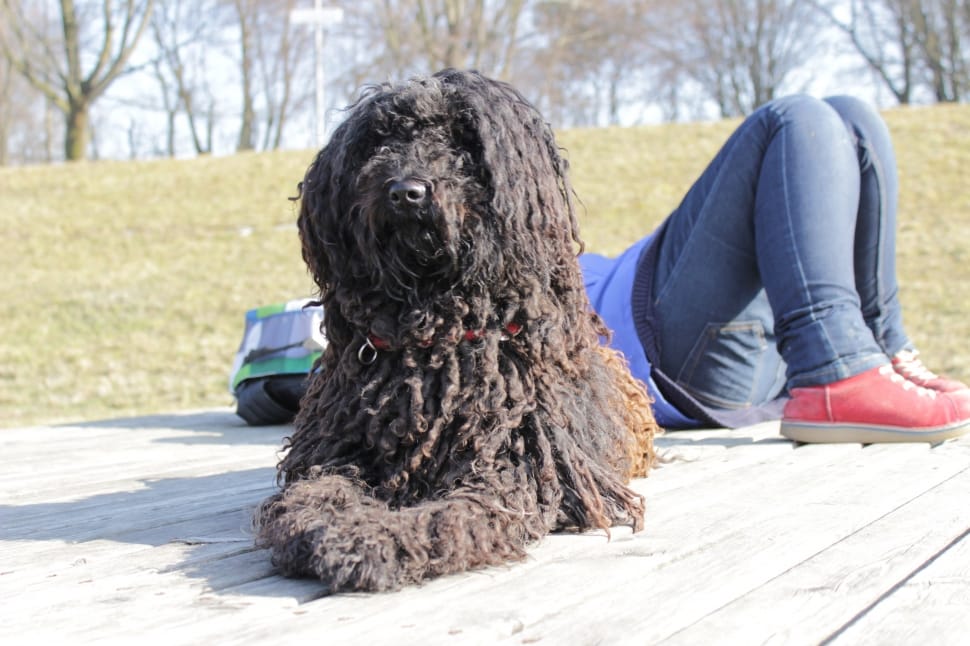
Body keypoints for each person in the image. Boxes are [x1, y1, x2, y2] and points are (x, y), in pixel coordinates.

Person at [581, 94, 970, 443]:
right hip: (656, 352)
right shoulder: (529, 276)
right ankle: (835, 367)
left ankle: (882, 349)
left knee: (852, 117)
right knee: (795, 119)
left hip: (745, 364)